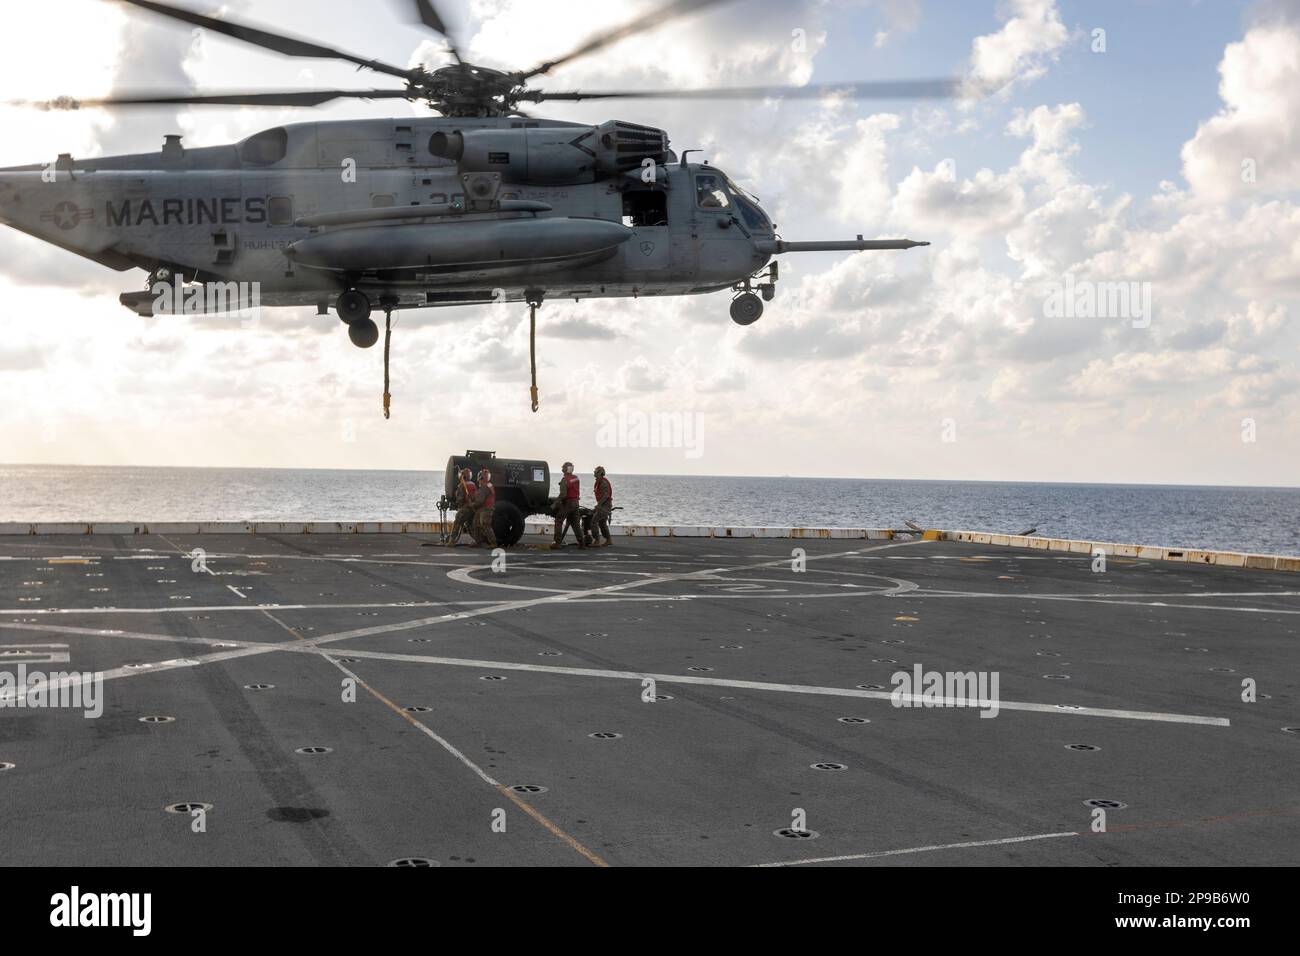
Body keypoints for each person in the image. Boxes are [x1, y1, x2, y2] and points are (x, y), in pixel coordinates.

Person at [551, 461, 586, 549]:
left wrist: (555, 504)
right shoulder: (576, 478)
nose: (562, 469)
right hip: (576, 503)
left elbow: (563, 494)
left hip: (568, 503)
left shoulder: (565, 480)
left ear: (565, 469)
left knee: (559, 520)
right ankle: (582, 543)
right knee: (575, 524)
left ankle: (557, 542)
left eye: (563, 467)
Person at [446, 467, 477, 546]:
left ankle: (452, 541)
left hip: (465, 508)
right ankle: (478, 541)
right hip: (472, 508)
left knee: (457, 523)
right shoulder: (473, 484)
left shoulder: (462, 485)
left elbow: (460, 499)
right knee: (470, 525)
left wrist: (457, 497)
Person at [472, 468, 497, 548]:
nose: (478, 480)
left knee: (485, 524)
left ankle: (493, 543)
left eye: (480, 478)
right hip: (483, 509)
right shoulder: (489, 485)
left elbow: (480, 501)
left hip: (486, 509)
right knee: (476, 524)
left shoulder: (484, 487)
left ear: (481, 478)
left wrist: (472, 504)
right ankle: (478, 542)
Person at [591, 465, 614, 547]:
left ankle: (597, 540)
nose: (594, 473)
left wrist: (599, 505)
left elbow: (606, 495)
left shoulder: (603, 483)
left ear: (600, 473)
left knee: (594, 521)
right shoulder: (599, 482)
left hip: (605, 505)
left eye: (596, 471)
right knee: (602, 523)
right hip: (604, 505)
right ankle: (608, 540)